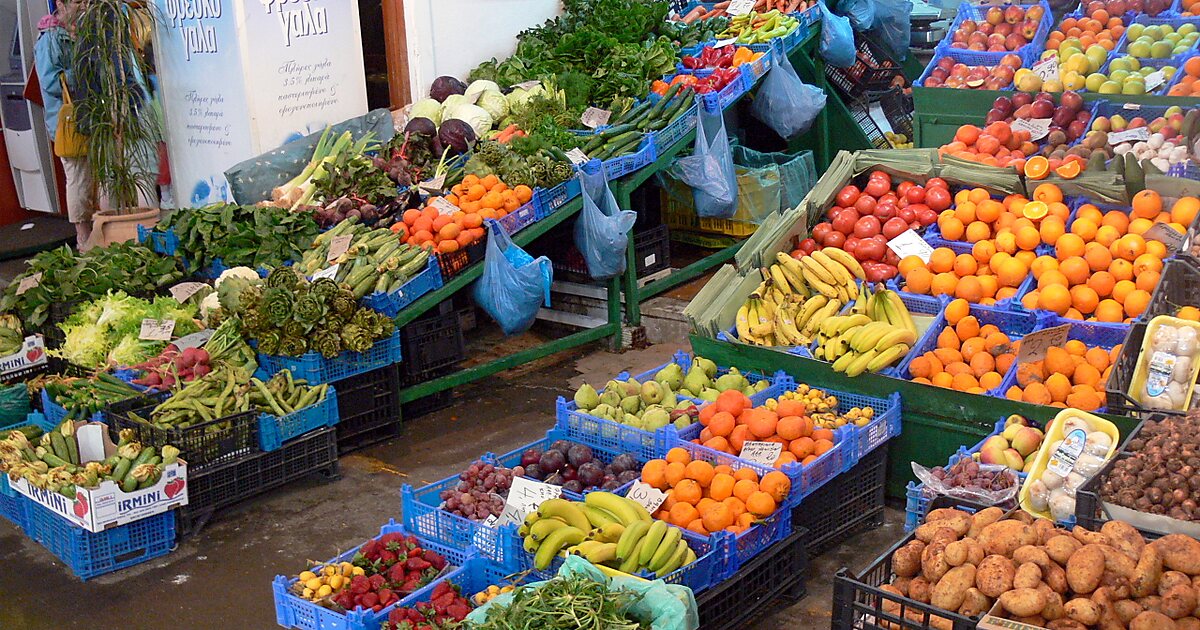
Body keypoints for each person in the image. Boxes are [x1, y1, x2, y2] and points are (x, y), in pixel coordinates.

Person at [34, 1, 95, 250]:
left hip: (89, 118)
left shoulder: (83, 31)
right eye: (78, 2)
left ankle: (97, 231)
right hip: (67, 124)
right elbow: (49, 81)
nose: (84, 6)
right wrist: (85, 70)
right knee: (78, 179)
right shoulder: (50, 38)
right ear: (61, 4)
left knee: (90, 178)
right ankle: (84, 238)